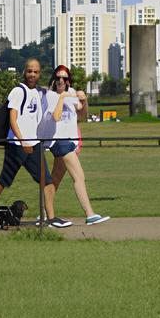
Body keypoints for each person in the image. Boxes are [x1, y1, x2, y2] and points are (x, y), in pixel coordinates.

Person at [0, 60, 53, 227]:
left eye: (36, 72)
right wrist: (22, 140)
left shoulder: (37, 93)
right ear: (24, 72)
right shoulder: (18, 91)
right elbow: (13, 119)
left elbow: (35, 121)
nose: (32, 75)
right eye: (29, 71)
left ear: (40, 74)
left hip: (34, 145)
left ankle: (51, 217)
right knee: (4, 180)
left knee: (46, 181)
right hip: (17, 146)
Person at [43, 65, 110, 226]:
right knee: (79, 176)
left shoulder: (71, 92)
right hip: (60, 141)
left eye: (64, 78)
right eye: (58, 77)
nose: (61, 81)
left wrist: (84, 100)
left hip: (70, 140)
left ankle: (45, 214)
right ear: (53, 79)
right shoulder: (50, 95)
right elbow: (56, 117)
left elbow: (82, 114)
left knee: (55, 180)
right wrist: (62, 97)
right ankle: (90, 214)